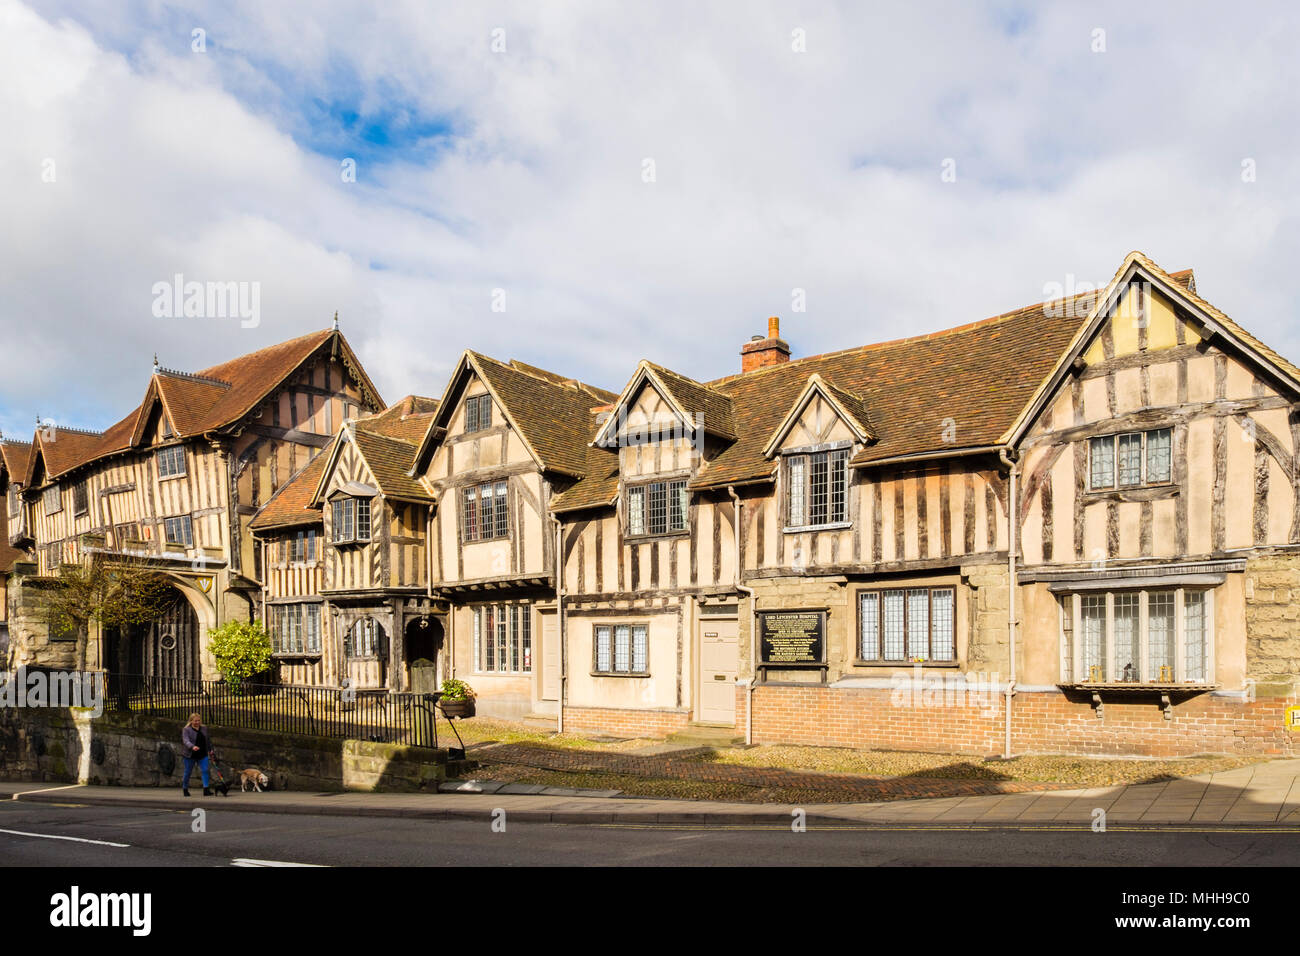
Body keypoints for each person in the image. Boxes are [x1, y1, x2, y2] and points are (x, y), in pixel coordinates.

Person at [181, 713, 214, 796]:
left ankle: (206, 789)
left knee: (205, 770)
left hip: (202, 754)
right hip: (190, 755)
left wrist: (210, 750)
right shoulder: (186, 730)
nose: (197, 722)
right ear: (191, 721)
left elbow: (208, 740)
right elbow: (185, 741)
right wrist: (192, 746)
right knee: (188, 772)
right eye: (195, 721)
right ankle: (185, 789)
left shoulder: (204, 728)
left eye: (199, 720)